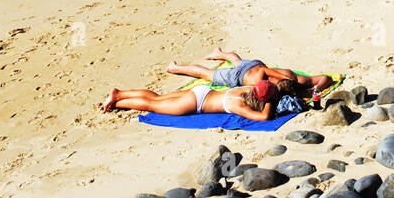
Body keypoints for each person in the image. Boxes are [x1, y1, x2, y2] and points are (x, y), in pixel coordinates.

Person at [165, 49, 333, 96]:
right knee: (208, 75)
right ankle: (174, 68)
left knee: (238, 61)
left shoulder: (292, 77)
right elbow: (326, 79)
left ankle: (220, 54)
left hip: (253, 65)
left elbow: (326, 78)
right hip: (241, 76)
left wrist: (314, 91)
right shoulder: (264, 84)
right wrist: (314, 92)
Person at [102, 79, 282, 120]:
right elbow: (263, 117)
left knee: (158, 98)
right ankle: (117, 100)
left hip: (202, 91)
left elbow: (264, 88)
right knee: (152, 105)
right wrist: (270, 101)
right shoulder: (238, 104)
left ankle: (120, 93)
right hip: (195, 103)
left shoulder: (247, 88)